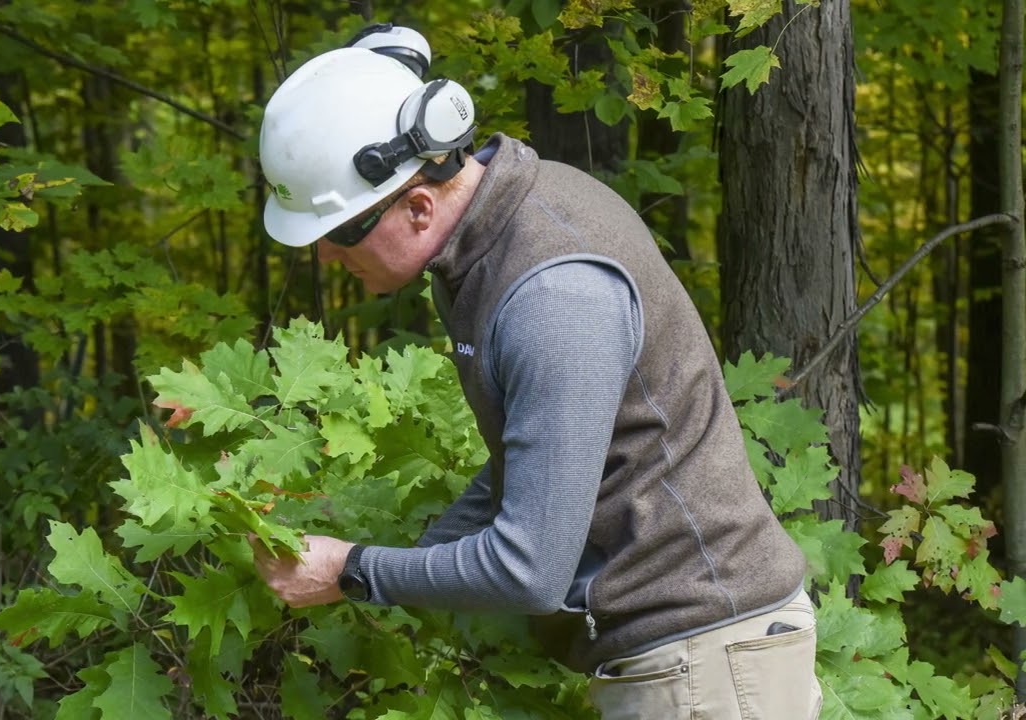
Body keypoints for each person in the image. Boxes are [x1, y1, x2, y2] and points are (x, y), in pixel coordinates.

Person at [252, 25, 821, 719]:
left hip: (705, 667)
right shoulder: (497, 235)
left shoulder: (554, 293)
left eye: (338, 234)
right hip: (684, 659)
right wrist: (420, 559)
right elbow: (541, 457)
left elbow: (529, 572)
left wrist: (351, 572)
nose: (326, 259)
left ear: (419, 205)